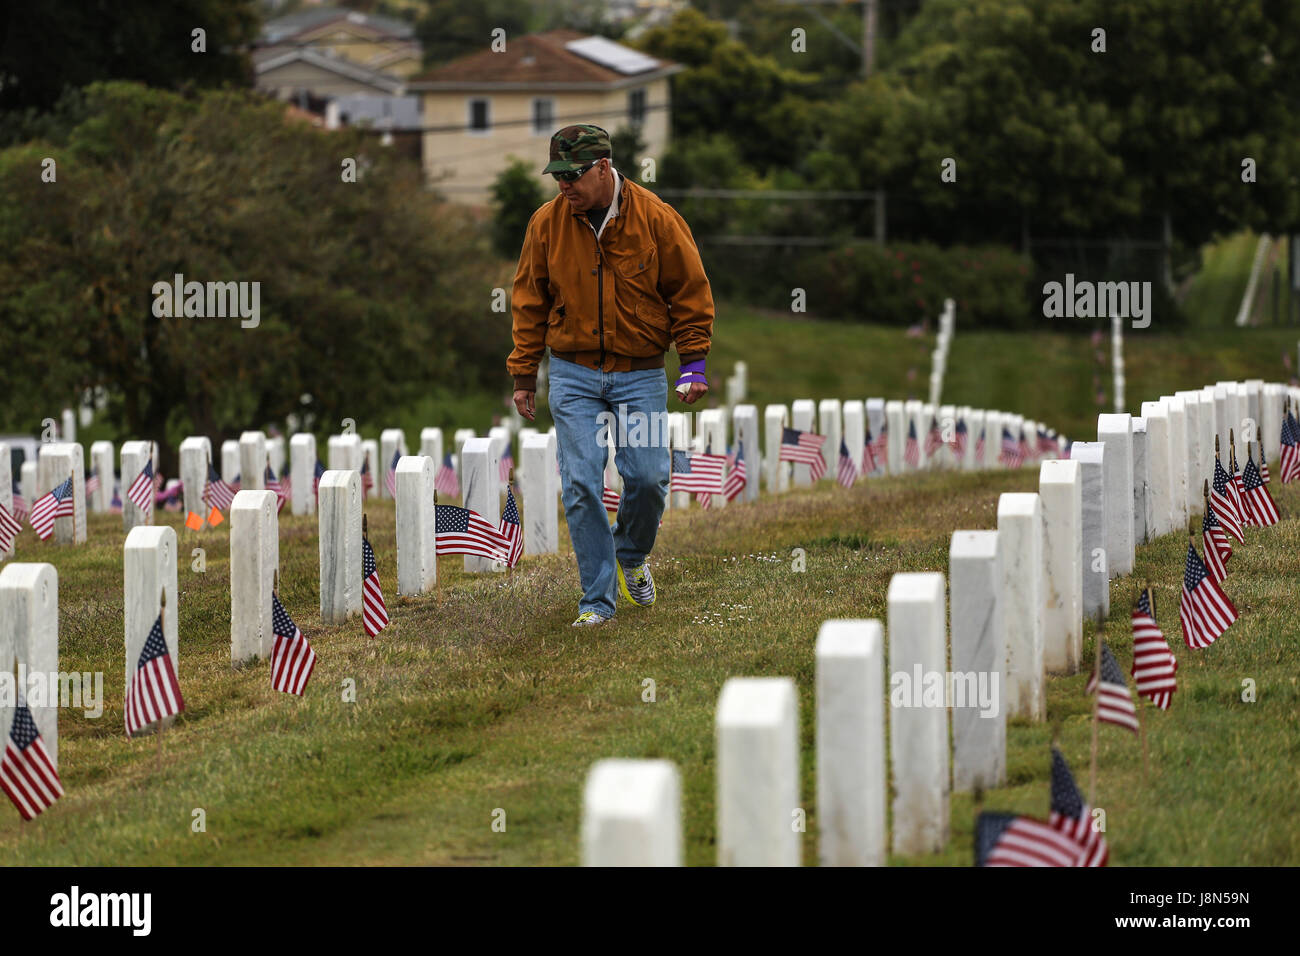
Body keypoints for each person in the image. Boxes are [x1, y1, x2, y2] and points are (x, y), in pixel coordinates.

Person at [508, 124, 714, 626]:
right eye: (557, 176)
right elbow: (529, 301)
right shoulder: (545, 224)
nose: (564, 187)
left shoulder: (657, 219)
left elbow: (689, 291)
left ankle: (631, 555)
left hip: (639, 374)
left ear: (604, 168)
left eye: (574, 176)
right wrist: (524, 373)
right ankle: (596, 601)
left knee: (647, 478)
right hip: (574, 375)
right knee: (580, 482)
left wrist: (693, 364)